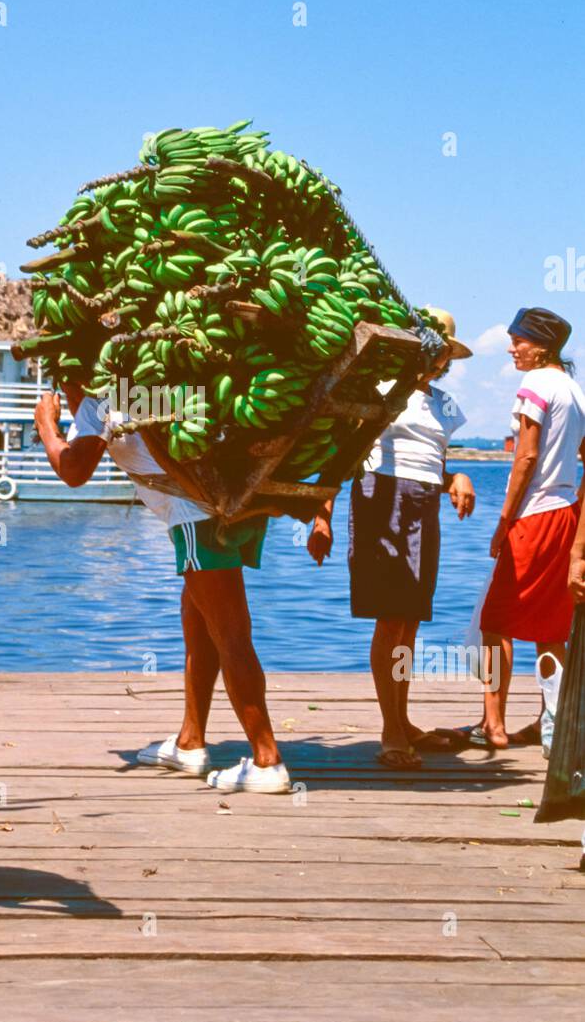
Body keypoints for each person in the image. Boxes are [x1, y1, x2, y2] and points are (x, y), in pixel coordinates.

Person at [34, 383, 291, 793]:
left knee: (231, 636)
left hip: (195, 517)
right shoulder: (149, 383)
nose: (61, 382)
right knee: (199, 623)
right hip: (232, 506)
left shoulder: (100, 401)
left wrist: (48, 425)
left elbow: (73, 472)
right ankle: (190, 742)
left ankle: (267, 760)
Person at [308, 308, 476, 770]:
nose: (436, 358)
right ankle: (390, 731)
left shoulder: (444, 405)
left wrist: (456, 477)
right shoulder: (378, 389)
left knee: (409, 622)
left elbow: (431, 462)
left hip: (425, 506)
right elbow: (341, 454)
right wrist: (321, 517)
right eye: (430, 348)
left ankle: (403, 720)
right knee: (390, 620)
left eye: (443, 353)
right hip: (379, 497)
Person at [449, 307, 585, 751]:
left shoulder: (535, 385)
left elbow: (525, 457)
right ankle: (555, 725)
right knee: (550, 627)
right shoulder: (574, 390)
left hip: (533, 516)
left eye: (519, 341)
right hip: (564, 513)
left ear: (541, 346)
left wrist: (504, 521)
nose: (512, 348)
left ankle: (493, 724)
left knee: (495, 622)